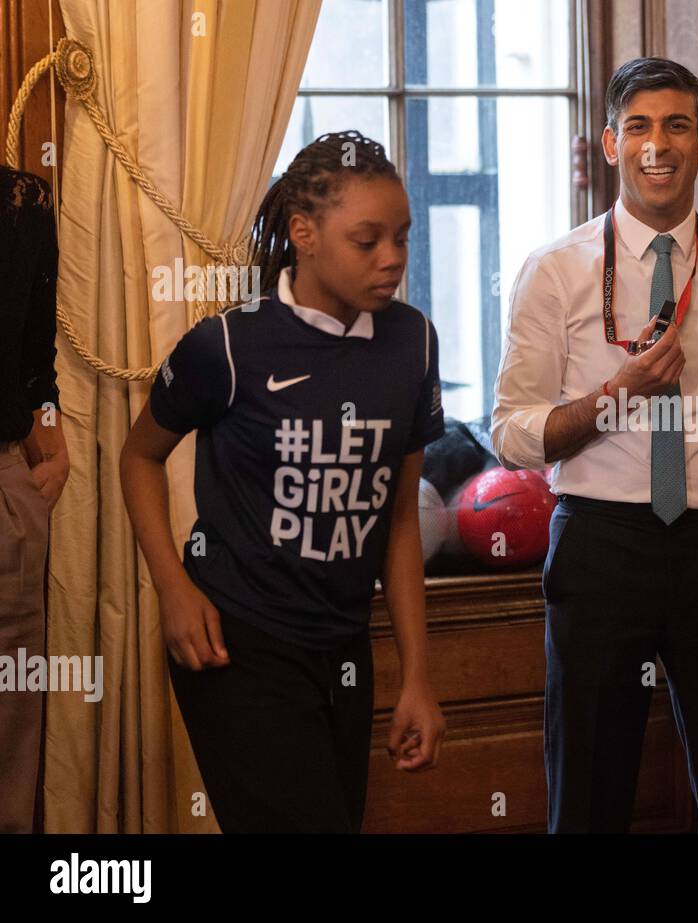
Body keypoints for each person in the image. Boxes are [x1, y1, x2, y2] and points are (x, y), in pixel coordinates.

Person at [491, 57, 698, 833]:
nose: (656, 144)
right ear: (610, 143)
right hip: (602, 544)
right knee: (591, 798)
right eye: (637, 126)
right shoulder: (555, 270)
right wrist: (614, 398)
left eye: (676, 126)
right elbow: (510, 432)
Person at [120, 131, 446, 833]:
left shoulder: (414, 343)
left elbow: (398, 518)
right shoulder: (228, 347)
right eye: (367, 240)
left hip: (343, 649)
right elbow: (138, 457)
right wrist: (173, 590)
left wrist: (417, 673)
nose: (391, 257)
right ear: (304, 233)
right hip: (238, 644)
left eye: (402, 237)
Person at [0, 166, 70, 833]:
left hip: (7, 487)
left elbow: (34, 359)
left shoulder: (23, 203)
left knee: (9, 752)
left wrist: (50, 447)